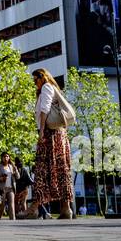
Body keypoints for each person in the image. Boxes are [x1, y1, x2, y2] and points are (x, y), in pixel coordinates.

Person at [32, 69, 75, 219]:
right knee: (61, 170)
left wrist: (42, 131)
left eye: (35, 79)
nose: (34, 83)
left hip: (50, 135)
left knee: (42, 169)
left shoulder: (47, 87)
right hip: (58, 135)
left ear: (42, 77)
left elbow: (45, 109)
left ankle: (34, 208)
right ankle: (66, 209)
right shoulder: (52, 88)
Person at [0, 152, 17, 219]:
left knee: (11, 206)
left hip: (10, 188)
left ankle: (13, 220)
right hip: (2, 189)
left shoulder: (11, 166)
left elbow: (18, 177)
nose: (6, 158)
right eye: (4, 157)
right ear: (2, 158)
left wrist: (15, 168)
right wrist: (1, 178)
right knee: (1, 206)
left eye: (7, 156)